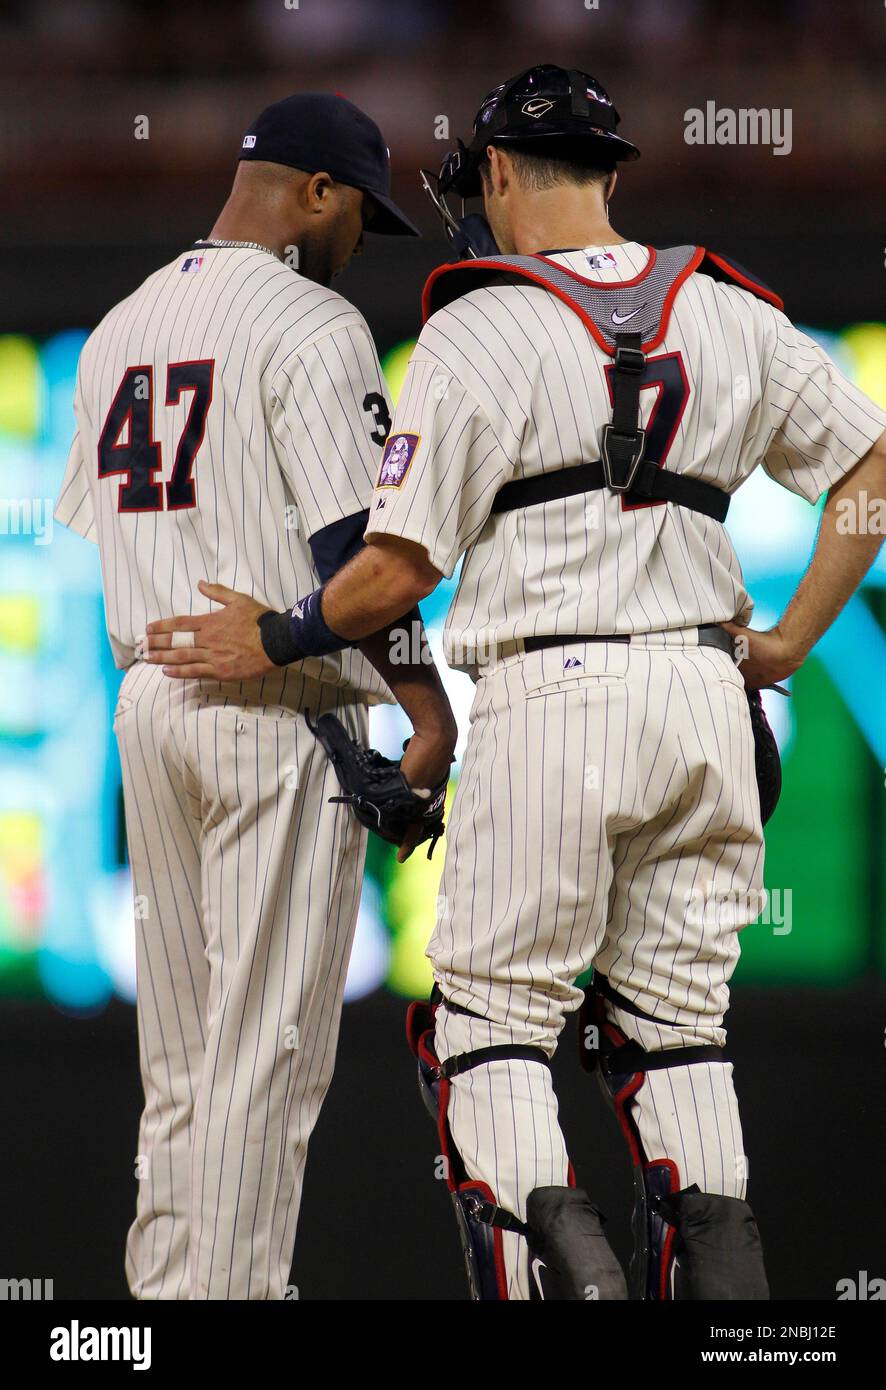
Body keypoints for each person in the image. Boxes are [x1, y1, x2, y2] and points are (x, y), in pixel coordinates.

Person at [144, 66, 886, 1300]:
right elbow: (871, 466)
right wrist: (791, 639)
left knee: (486, 1032)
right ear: (609, 174)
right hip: (707, 700)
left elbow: (392, 572)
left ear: (493, 171)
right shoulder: (726, 305)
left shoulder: (478, 324)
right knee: (678, 1038)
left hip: (552, 699)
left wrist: (272, 636)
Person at [55, 92, 456, 1300]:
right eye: (358, 214)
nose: (358, 242)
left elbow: (106, 531)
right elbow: (359, 553)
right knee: (260, 1064)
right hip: (277, 706)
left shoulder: (120, 325)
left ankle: (165, 1306)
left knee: (181, 1067)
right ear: (315, 192)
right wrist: (426, 710)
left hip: (150, 703)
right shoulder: (311, 321)